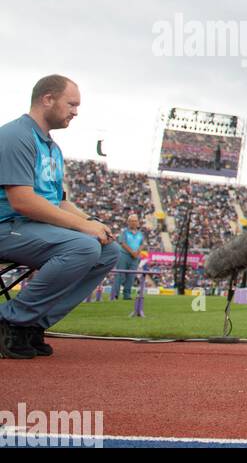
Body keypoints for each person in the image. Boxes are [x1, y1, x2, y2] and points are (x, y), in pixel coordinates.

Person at [0, 75, 120, 359]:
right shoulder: (15, 136)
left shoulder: (52, 148)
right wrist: (83, 229)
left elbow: (58, 202)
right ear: (47, 99)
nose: (76, 112)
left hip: (28, 229)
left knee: (108, 249)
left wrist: (91, 222)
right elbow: (23, 201)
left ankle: (32, 324)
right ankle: (10, 319)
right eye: (71, 104)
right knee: (83, 245)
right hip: (7, 226)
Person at [111, 214, 146, 300]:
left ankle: (127, 295)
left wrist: (137, 252)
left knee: (131, 276)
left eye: (135, 221)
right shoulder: (124, 232)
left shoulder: (140, 234)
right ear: (128, 222)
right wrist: (132, 252)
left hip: (135, 257)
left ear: (138, 222)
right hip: (124, 255)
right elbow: (122, 243)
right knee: (120, 275)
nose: (133, 223)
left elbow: (143, 244)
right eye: (132, 221)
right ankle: (115, 294)